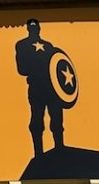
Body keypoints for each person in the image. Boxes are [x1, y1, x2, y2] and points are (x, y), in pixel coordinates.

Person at [15, 18, 65, 159]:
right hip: (36, 86)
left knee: (56, 118)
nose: (34, 30)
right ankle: (39, 154)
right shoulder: (22, 45)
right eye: (32, 27)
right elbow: (21, 69)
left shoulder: (49, 46)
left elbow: (57, 64)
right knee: (37, 117)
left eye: (35, 27)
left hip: (52, 87)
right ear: (28, 29)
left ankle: (59, 148)